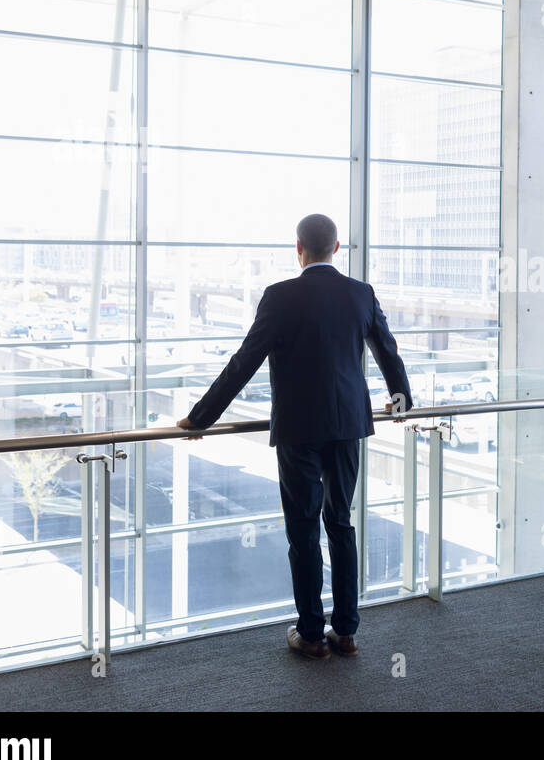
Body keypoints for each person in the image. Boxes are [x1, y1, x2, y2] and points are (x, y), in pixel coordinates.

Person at [177, 214, 413, 660]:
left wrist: (201, 418)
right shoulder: (360, 294)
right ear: (337, 248)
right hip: (347, 426)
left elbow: (245, 360)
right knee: (340, 523)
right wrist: (401, 401)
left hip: (299, 428)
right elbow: (388, 349)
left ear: (298, 248)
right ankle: (345, 633)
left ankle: (310, 634)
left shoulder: (280, 296)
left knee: (303, 530)